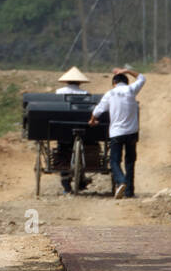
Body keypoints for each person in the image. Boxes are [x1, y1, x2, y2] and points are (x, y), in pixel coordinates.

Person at [89, 67, 145, 198]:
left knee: (114, 161)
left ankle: (121, 181)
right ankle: (129, 192)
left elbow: (97, 111)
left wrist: (92, 121)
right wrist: (127, 70)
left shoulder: (110, 94)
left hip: (116, 133)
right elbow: (142, 78)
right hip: (132, 132)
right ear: (126, 82)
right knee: (130, 161)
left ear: (114, 83)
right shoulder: (131, 90)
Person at [54, 66, 90, 194]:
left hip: (63, 129)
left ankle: (66, 184)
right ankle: (81, 180)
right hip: (80, 128)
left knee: (63, 150)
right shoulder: (85, 94)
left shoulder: (58, 92)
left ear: (66, 81)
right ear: (80, 82)